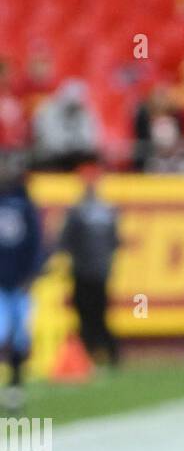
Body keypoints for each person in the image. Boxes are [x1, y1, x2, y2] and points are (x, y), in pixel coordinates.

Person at [57, 161, 121, 367]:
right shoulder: (107, 210)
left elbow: (65, 241)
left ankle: (94, 353)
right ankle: (105, 354)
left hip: (86, 270)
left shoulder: (78, 211)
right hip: (96, 270)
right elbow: (114, 242)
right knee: (96, 314)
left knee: (89, 315)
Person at [0, 151, 42, 411]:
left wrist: (31, 273)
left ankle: (15, 386)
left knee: (18, 336)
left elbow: (36, 242)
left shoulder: (24, 202)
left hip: (19, 281)